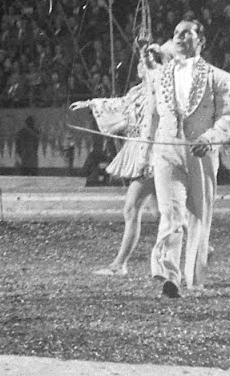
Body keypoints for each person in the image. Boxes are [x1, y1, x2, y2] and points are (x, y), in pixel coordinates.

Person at [143, 18, 230, 298]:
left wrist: (209, 139)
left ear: (201, 40)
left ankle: (193, 277)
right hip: (167, 149)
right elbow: (153, 114)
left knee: (199, 215)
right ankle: (169, 276)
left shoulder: (219, 77)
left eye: (188, 33)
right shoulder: (160, 75)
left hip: (202, 153)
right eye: (177, 34)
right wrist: (147, 151)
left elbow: (229, 117)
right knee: (171, 213)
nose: (181, 38)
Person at [70, 40, 167, 276]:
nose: (140, 67)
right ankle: (201, 248)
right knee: (162, 213)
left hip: (152, 153)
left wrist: (148, 55)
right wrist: (91, 103)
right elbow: (121, 104)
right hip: (138, 150)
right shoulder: (137, 91)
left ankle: (119, 264)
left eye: (145, 64)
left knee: (132, 209)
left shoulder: (160, 90)